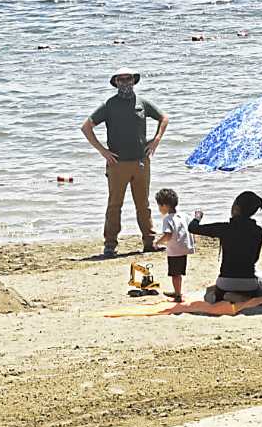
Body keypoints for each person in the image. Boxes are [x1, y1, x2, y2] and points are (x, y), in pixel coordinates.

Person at [82, 70, 167, 257]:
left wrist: (156, 140)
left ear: (134, 81)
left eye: (128, 79)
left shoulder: (142, 103)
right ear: (115, 82)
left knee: (143, 204)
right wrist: (103, 151)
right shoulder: (109, 105)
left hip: (141, 162)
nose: (125, 82)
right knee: (114, 205)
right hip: (117, 164)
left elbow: (164, 118)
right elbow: (86, 127)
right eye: (121, 79)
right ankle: (110, 245)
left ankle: (149, 242)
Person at [191, 190, 262, 304]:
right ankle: (241, 298)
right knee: (261, 283)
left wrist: (197, 217)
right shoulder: (258, 231)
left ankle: (219, 297)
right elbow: (255, 258)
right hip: (248, 282)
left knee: (209, 290)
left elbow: (193, 228)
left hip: (225, 282)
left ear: (236, 208)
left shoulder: (225, 228)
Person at [154, 187, 197, 303]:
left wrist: (157, 242)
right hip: (185, 247)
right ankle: (177, 290)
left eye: (159, 206)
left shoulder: (168, 219)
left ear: (165, 205)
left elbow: (168, 235)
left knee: (175, 274)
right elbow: (192, 228)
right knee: (179, 273)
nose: (159, 208)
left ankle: (177, 295)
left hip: (175, 251)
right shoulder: (184, 216)